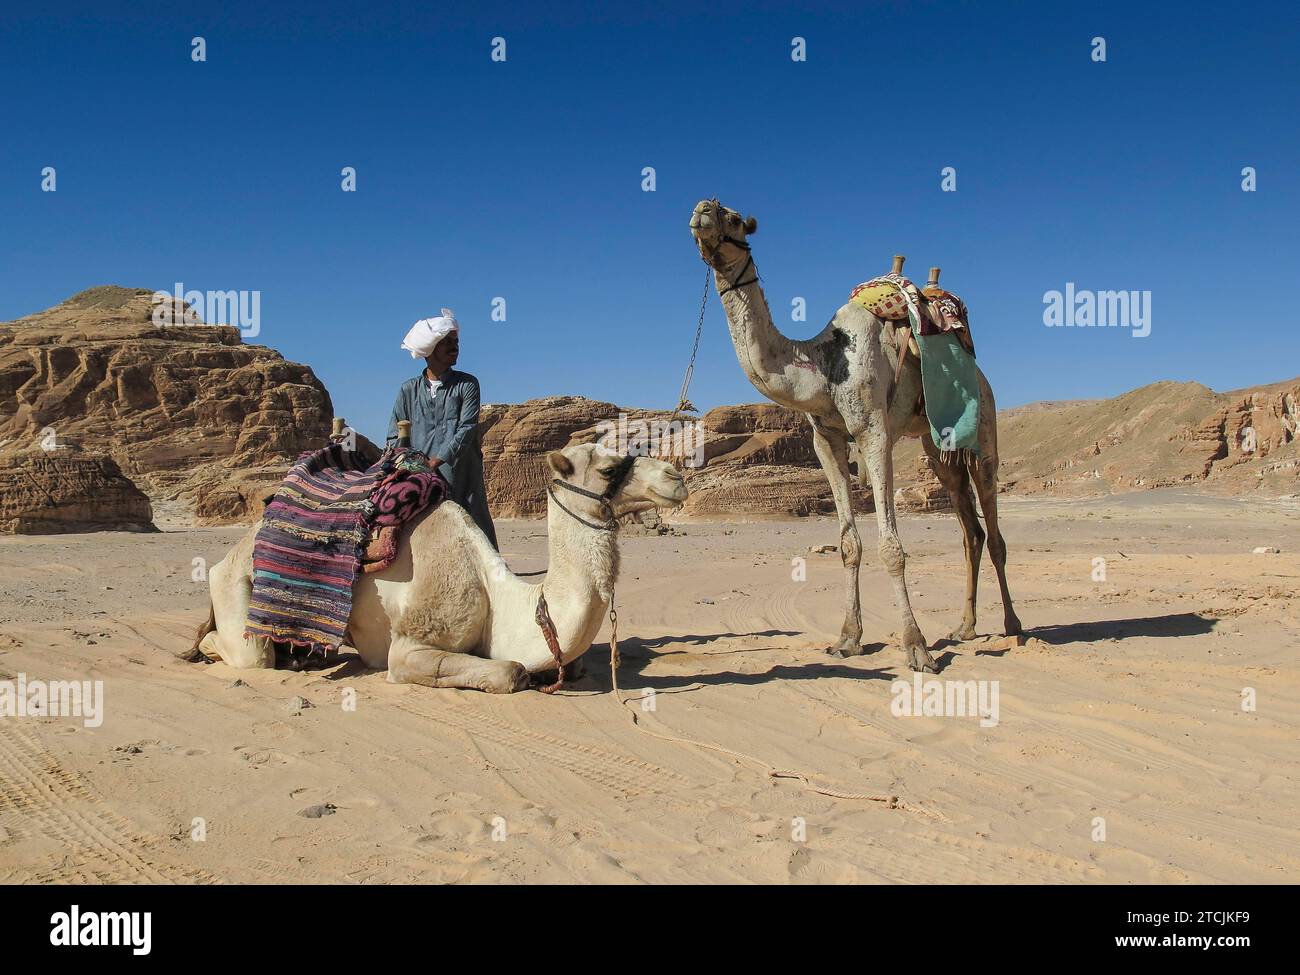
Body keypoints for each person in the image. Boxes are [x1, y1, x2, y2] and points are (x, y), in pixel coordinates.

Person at [387, 309, 498, 548]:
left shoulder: (467, 384)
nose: (454, 346)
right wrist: (407, 464)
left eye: (456, 342)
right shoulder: (408, 390)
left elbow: (466, 429)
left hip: (461, 473)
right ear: (430, 349)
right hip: (419, 475)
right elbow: (395, 434)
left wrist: (436, 461)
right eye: (446, 342)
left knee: (475, 530)